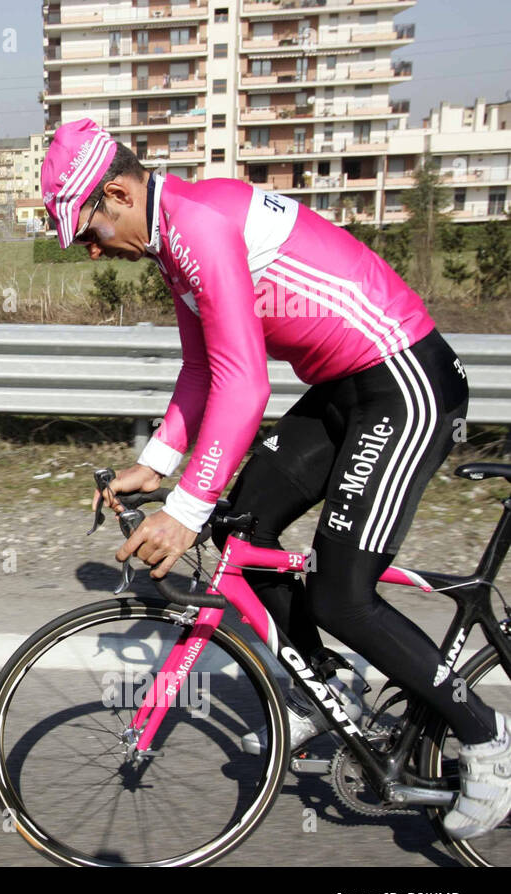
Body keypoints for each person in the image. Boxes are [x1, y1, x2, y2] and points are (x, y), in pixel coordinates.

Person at [42, 118, 511, 840]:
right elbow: (203, 368)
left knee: (340, 594)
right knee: (243, 529)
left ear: (119, 192)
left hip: (403, 382)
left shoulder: (198, 226)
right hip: (344, 389)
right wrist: (159, 463)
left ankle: (486, 738)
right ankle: (323, 688)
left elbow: (246, 385)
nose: (94, 249)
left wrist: (185, 508)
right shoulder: (172, 238)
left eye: (91, 231)